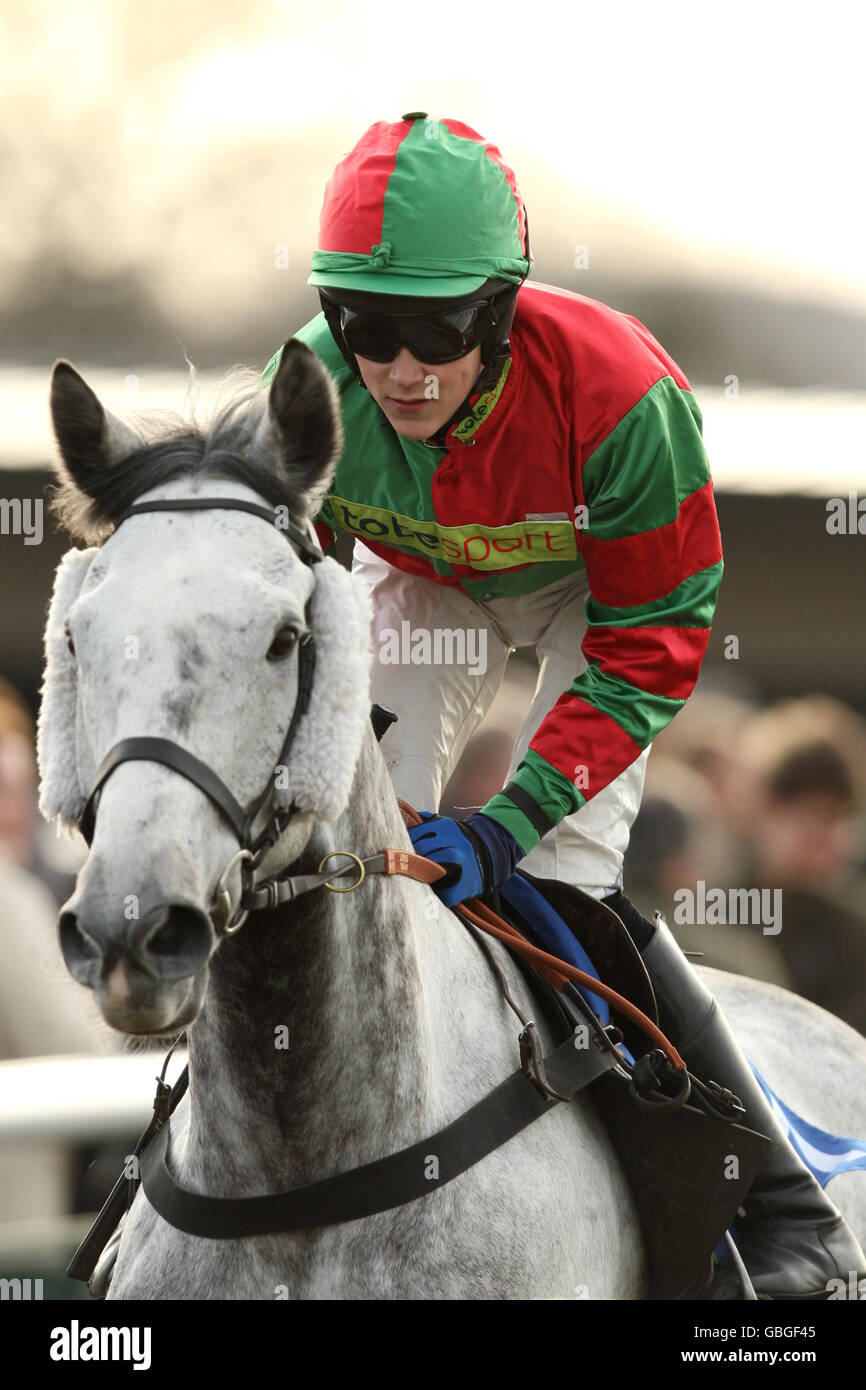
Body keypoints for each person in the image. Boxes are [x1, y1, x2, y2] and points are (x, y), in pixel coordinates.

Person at [260, 113, 864, 1298]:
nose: (398, 370)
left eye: (433, 328)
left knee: (560, 882)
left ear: (498, 309)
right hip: (429, 581)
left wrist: (508, 819)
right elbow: (291, 602)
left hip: (603, 606)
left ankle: (785, 1205)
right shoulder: (310, 394)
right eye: (364, 326)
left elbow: (647, 651)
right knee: (350, 842)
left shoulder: (626, 400)